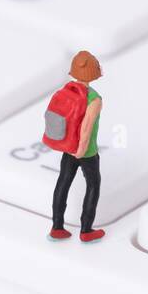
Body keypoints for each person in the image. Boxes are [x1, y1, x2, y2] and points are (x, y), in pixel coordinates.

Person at [48, 50, 105, 243]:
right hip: (86, 151)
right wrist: (81, 150)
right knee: (93, 185)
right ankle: (86, 230)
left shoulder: (68, 90)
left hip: (67, 147)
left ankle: (56, 227)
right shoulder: (95, 99)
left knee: (63, 183)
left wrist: (72, 149)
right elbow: (87, 128)